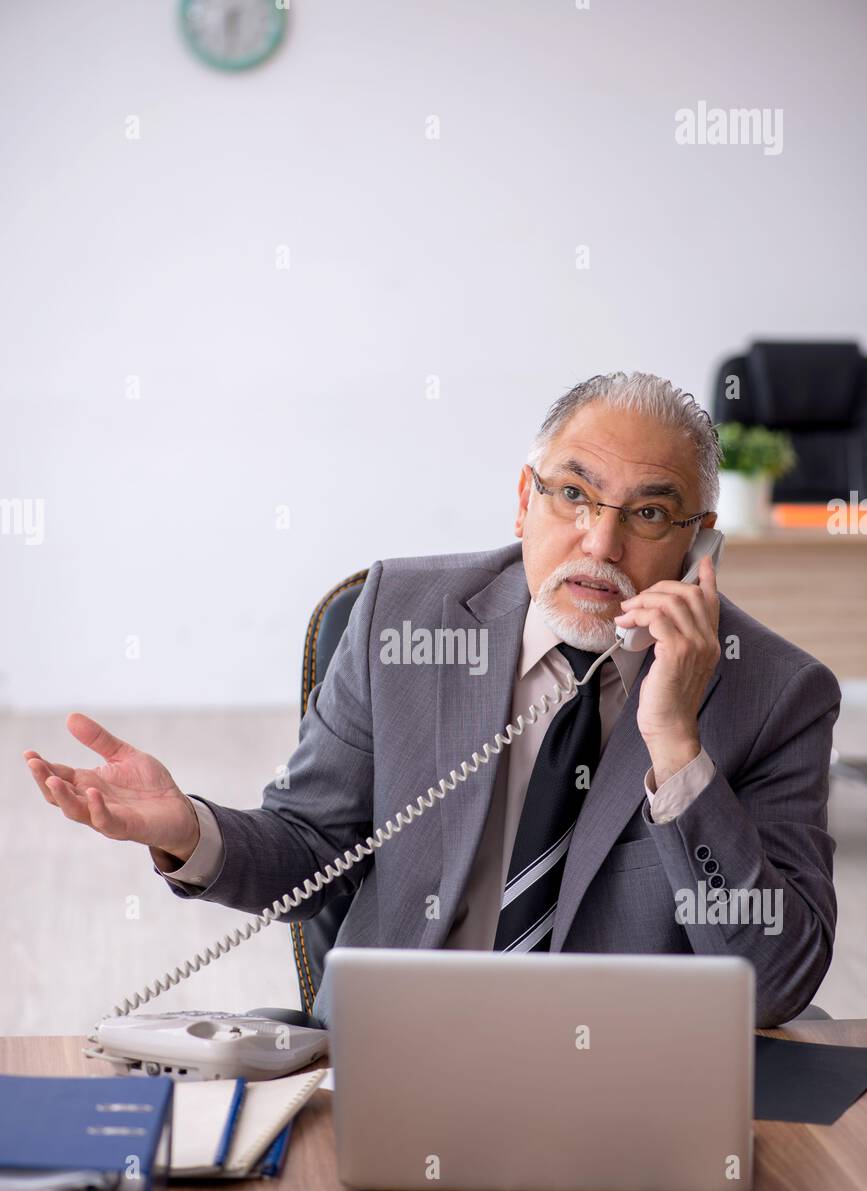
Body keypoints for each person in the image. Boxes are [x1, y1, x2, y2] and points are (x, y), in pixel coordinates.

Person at [24, 372, 840, 1028]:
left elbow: (775, 986)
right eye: (573, 496)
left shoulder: (776, 694)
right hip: (395, 1052)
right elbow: (313, 847)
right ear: (524, 500)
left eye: (650, 513)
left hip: (622, 1083)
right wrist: (188, 831)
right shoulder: (402, 617)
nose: (600, 542)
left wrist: (674, 745)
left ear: (699, 546)